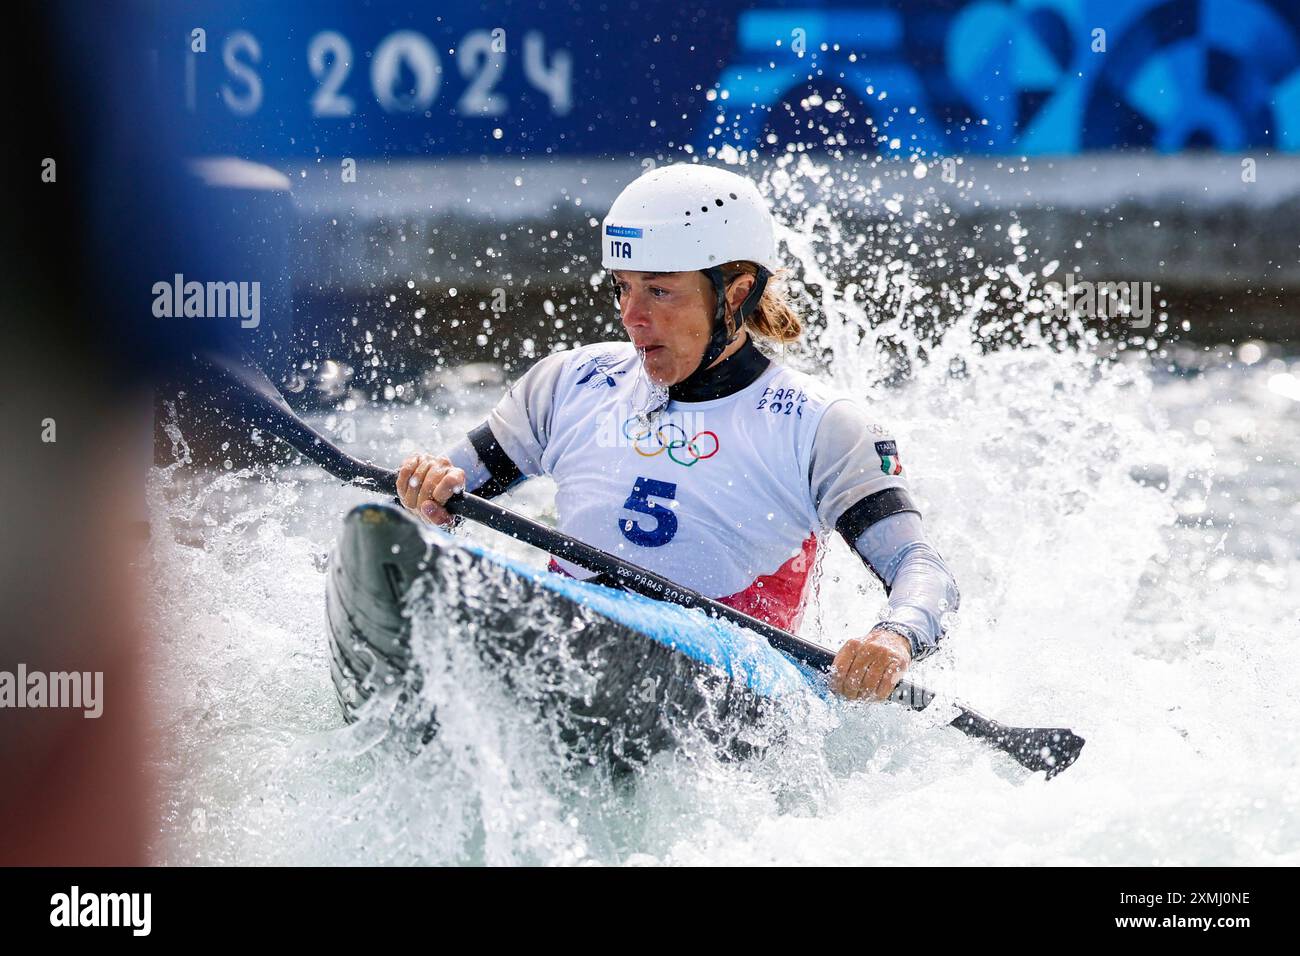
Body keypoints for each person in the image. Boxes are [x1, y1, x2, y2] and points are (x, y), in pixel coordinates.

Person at [396, 163, 959, 701]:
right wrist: (427, 489)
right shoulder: (569, 383)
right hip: (566, 637)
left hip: (731, 687)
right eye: (623, 287)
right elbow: (442, 493)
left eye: (659, 291)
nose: (631, 316)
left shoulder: (820, 425)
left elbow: (921, 567)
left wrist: (894, 637)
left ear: (735, 294)